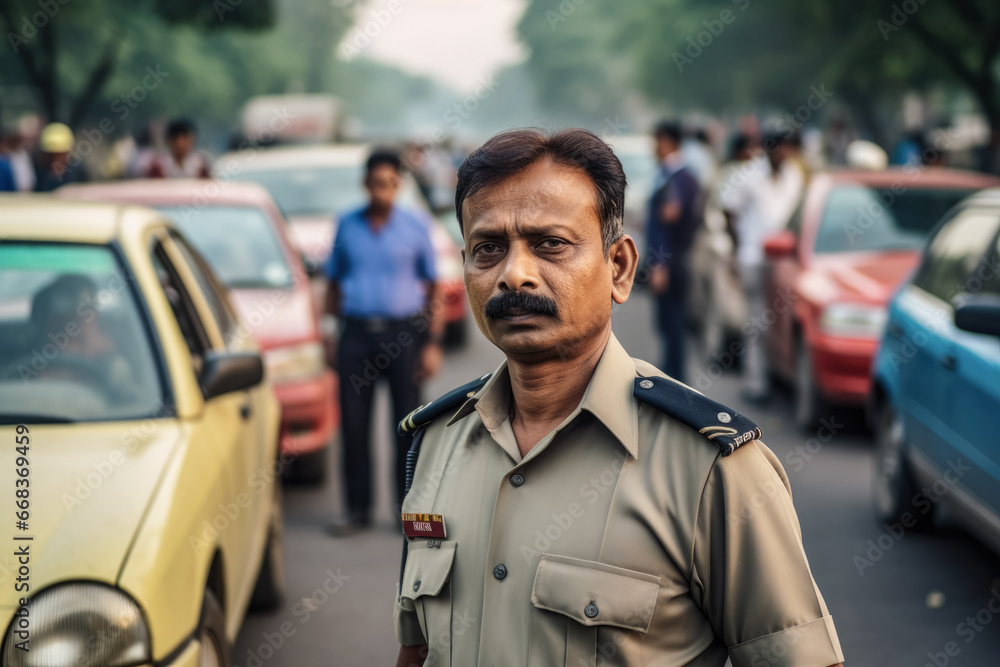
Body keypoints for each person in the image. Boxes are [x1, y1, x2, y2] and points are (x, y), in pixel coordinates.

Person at [392, 128, 844, 667]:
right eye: (488, 249)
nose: (514, 274)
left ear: (621, 268)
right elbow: (416, 650)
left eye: (550, 244)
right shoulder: (436, 445)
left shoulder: (711, 470)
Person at [323, 148, 444, 536]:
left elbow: (433, 286)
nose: (383, 191)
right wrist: (329, 332)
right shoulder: (347, 225)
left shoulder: (415, 225)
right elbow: (333, 282)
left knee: (406, 426)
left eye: (391, 184)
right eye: (377, 184)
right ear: (365, 184)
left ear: (399, 184)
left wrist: (432, 343)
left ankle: (404, 511)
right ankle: (357, 509)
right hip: (355, 334)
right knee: (354, 426)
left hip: (404, 336)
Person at [721, 131, 804, 402]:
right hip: (754, 257)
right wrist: (737, 248)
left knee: (782, 321)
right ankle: (757, 383)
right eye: (779, 148)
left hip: (786, 261)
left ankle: (780, 377)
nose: (783, 154)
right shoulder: (748, 175)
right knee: (757, 322)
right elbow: (729, 210)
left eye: (787, 148)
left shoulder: (794, 175)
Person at [646, 121, 702, 383]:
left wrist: (659, 264)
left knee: (672, 322)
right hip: (676, 259)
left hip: (670, 262)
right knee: (668, 321)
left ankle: (675, 379)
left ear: (668, 142)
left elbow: (668, 221)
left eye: (657, 142)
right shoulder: (682, 177)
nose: (653, 148)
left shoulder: (676, 180)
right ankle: (671, 374)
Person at [34, 122, 88, 191]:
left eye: (60, 154)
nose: (56, 159)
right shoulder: (38, 171)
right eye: (52, 155)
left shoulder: (78, 170)